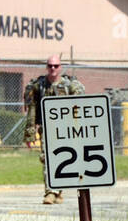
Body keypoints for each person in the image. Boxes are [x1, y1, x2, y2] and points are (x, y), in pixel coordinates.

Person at [24, 54, 85, 204]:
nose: (53, 68)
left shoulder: (70, 85)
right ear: (46, 67)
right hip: (46, 128)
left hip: (66, 129)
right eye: (50, 66)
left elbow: (80, 105)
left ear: (60, 67)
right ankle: (50, 191)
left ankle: (58, 191)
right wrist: (30, 134)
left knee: (63, 158)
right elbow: (32, 109)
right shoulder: (39, 86)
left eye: (56, 66)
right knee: (47, 158)